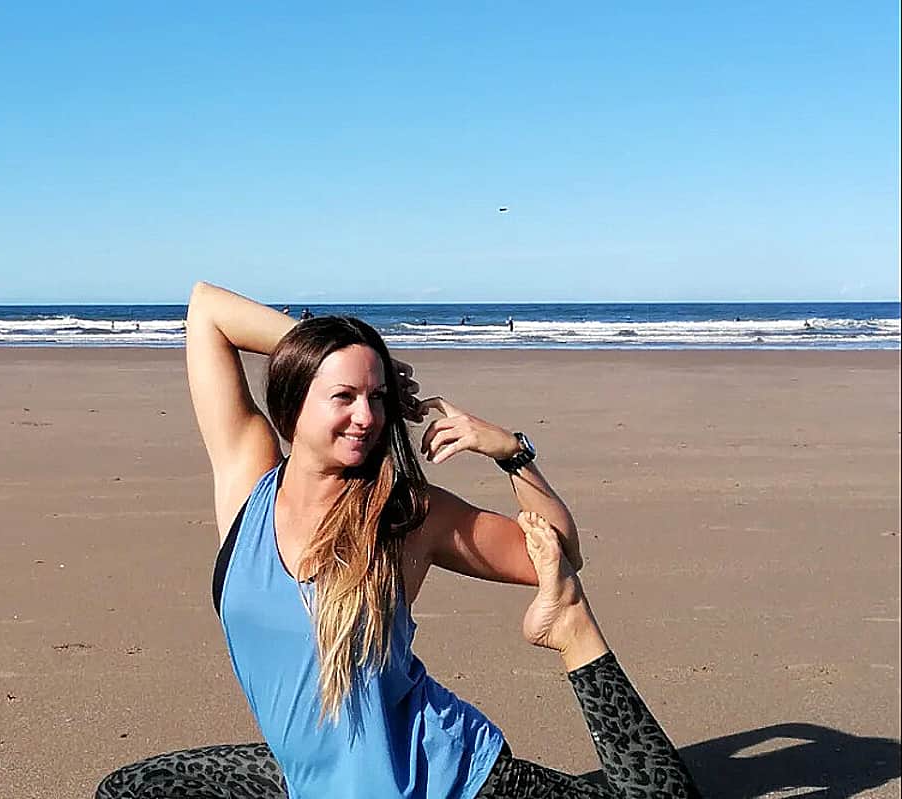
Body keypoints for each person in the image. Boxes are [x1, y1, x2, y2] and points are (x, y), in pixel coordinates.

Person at [96, 283, 700, 799]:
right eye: (344, 396)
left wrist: (511, 454)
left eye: (378, 398)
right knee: (131, 789)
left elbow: (559, 554)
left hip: (446, 781)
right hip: (313, 778)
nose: (367, 416)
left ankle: (572, 629)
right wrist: (338, 353)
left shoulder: (406, 515)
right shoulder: (248, 483)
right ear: (294, 401)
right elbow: (207, 311)